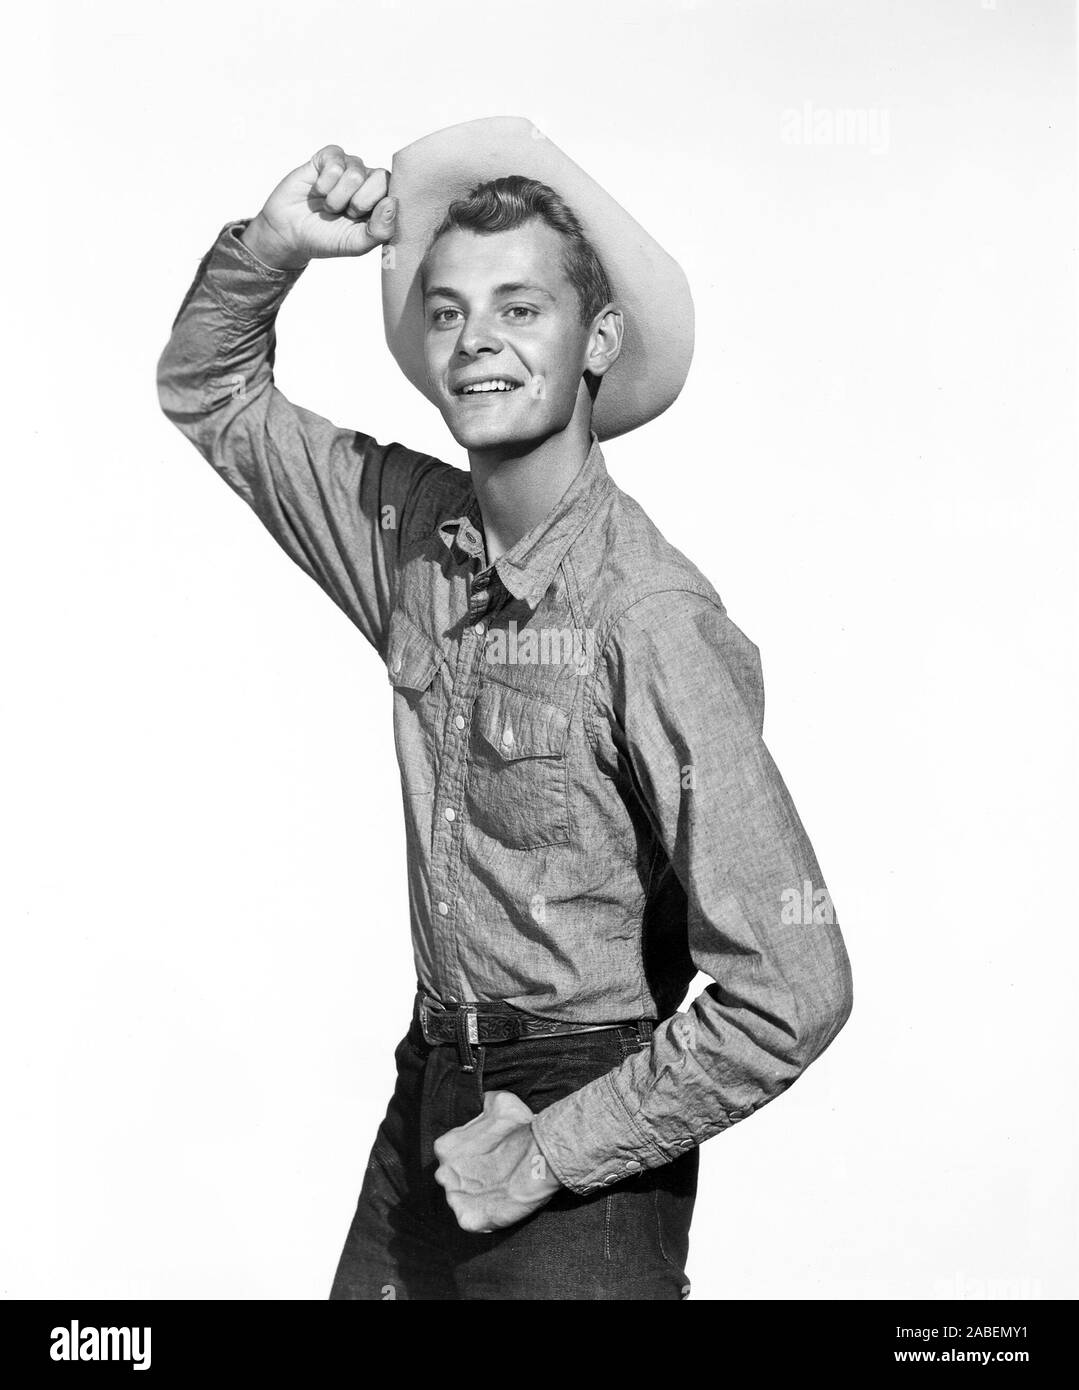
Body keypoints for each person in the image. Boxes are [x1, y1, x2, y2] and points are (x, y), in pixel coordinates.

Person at [156, 116, 854, 1301]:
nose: (476, 341)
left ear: (598, 340)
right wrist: (274, 242)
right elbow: (211, 391)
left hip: (588, 1112)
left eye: (520, 308)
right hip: (430, 1081)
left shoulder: (650, 619)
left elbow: (794, 983)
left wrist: (550, 1149)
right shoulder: (409, 540)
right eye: (448, 312)